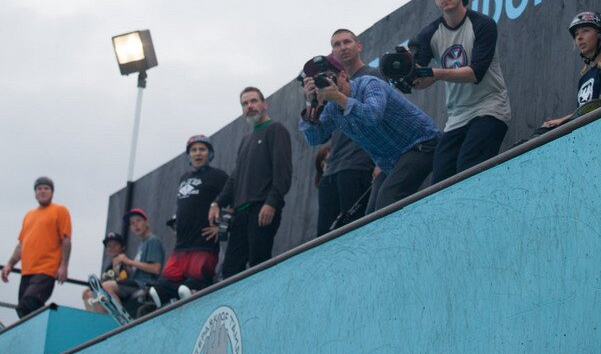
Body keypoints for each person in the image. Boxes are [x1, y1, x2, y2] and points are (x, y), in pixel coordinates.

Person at [299, 55, 441, 213]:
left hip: (422, 145)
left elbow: (372, 116)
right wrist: (310, 104)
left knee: (388, 198)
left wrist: (339, 97)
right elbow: (314, 138)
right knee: (371, 215)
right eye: (318, 80)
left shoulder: (369, 84)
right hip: (393, 162)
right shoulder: (332, 109)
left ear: (344, 75)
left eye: (328, 76)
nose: (325, 83)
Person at [411, 0, 511, 183]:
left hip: (490, 107)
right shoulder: (429, 34)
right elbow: (422, 78)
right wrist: (411, 77)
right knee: (440, 180)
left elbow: (475, 73)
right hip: (457, 116)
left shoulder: (483, 24)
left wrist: (436, 74)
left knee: (469, 168)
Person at [209, 87, 292, 278]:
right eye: (245, 104)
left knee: (259, 264)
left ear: (265, 104)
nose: (250, 106)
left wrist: (271, 203)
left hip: (262, 209)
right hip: (240, 214)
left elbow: (283, 172)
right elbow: (235, 177)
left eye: (254, 101)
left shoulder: (276, 130)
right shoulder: (246, 140)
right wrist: (217, 202)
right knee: (230, 270)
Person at [149, 135, 228, 308]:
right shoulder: (183, 178)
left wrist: (222, 228)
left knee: (188, 290)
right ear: (188, 155)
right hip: (181, 248)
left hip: (204, 246)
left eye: (202, 149)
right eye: (193, 150)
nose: (198, 153)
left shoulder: (218, 176)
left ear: (210, 153)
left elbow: (233, 201)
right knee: (157, 291)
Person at [313, 29, 378, 235]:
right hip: (333, 170)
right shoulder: (330, 88)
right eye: (336, 45)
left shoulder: (373, 76)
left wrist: (380, 164)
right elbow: (317, 135)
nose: (342, 47)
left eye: (346, 42)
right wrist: (310, 101)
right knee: (324, 240)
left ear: (359, 45)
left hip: (360, 166)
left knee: (357, 235)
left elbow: (382, 119)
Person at [1, 177, 71, 318]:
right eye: (39, 188)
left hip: (46, 269)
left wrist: (63, 266)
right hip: (27, 271)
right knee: (23, 313)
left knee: (27, 304)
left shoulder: (60, 210)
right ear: (35, 193)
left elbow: (66, 240)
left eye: (46, 188)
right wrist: (9, 264)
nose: (43, 191)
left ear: (52, 192)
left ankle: (52, 320)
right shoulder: (29, 215)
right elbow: (22, 244)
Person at [541, 12, 601, 128]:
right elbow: (584, 112)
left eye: (586, 30)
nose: (579, 37)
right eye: (576, 34)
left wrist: (562, 121)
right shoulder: (584, 79)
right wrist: (561, 121)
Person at [100, 209, 164, 317]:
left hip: (146, 284)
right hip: (137, 282)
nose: (136, 225)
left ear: (146, 222)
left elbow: (156, 269)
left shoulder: (153, 240)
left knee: (107, 286)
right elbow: (138, 270)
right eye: (132, 223)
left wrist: (128, 261)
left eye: (138, 221)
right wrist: (126, 267)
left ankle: (122, 319)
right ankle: (106, 324)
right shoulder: (142, 244)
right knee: (98, 296)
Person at [82, 232, 127, 312]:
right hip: (112, 292)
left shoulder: (127, 262)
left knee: (104, 289)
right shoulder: (109, 268)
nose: (112, 248)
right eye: (109, 246)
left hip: (126, 291)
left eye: (115, 245)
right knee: (87, 293)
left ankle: (120, 316)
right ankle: (97, 319)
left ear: (122, 247)